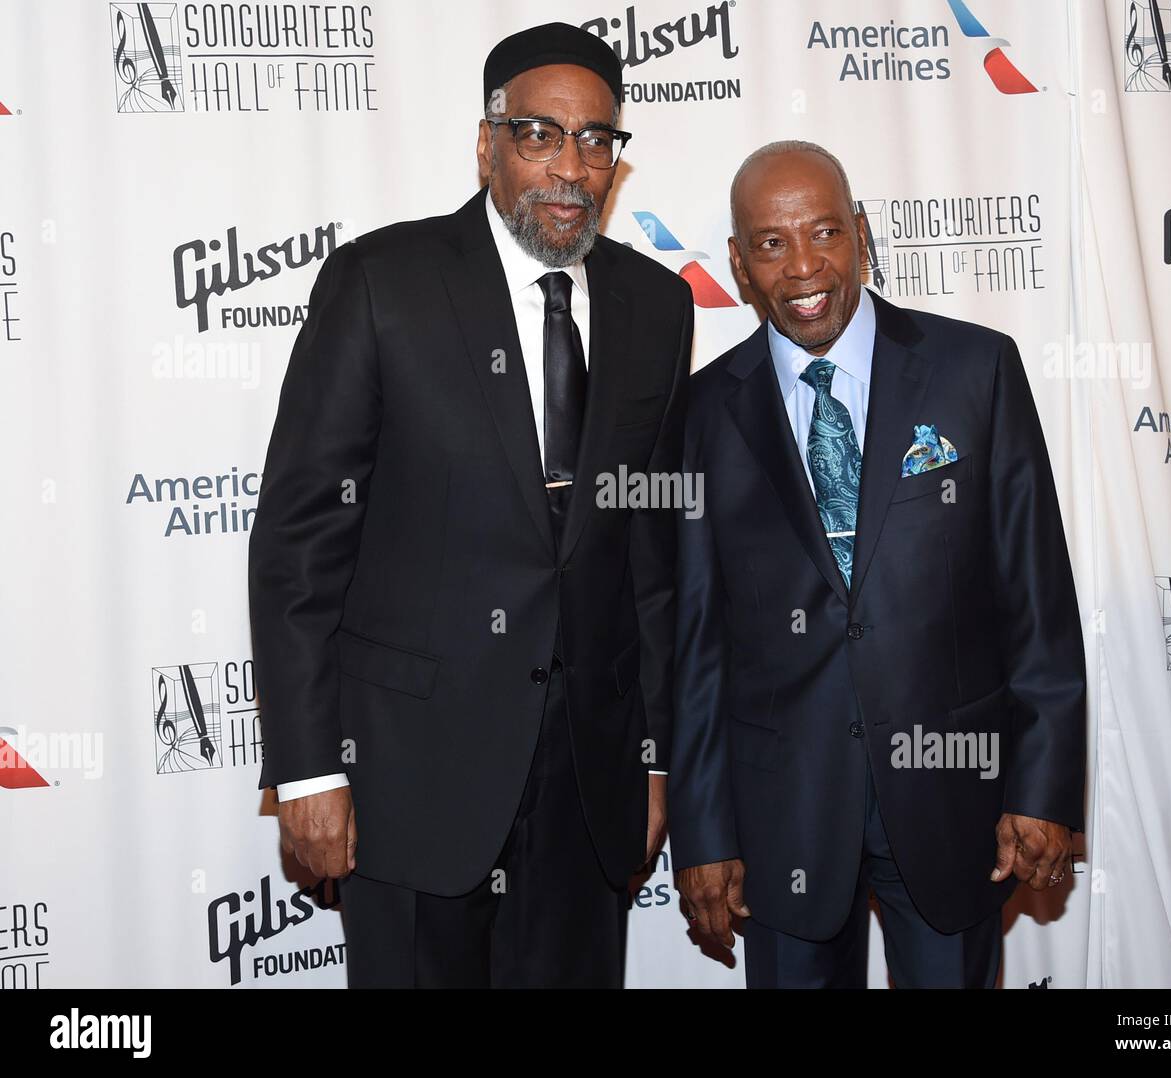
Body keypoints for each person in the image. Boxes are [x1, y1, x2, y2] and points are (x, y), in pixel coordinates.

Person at [248, 22, 693, 988]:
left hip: (588, 781)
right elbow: (299, 544)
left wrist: (653, 757)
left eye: (595, 140)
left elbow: (651, 558)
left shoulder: (659, 306)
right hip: (411, 778)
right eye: (541, 134)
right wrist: (311, 769)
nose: (570, 165)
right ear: (487, 142)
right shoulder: (381, 283)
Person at [669, 141, 1086, 988]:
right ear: (741, 266)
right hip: (782, 818)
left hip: (953, 800)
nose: (804, 266)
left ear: (859, 231)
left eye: (824, 231)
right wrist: (704, 833)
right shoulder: (703, 414)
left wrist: (1042, 786)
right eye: (772, 243)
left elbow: (1036, 601)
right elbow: (696, 647)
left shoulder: (977, 370)